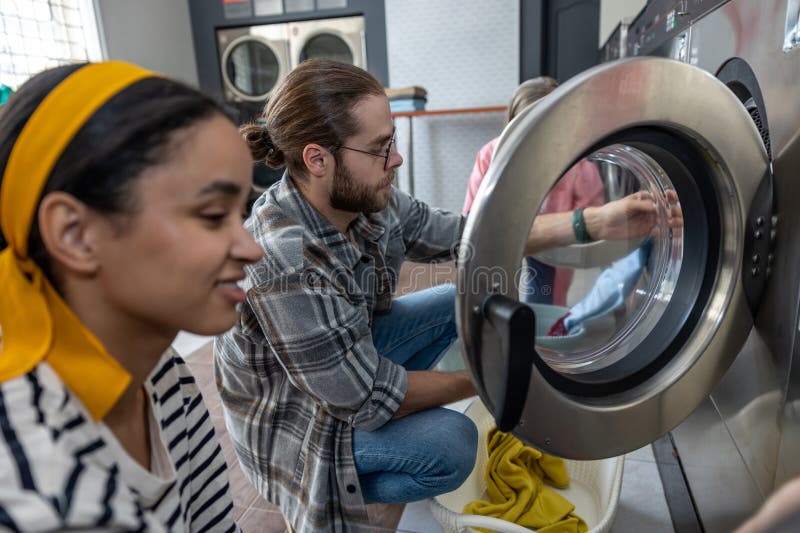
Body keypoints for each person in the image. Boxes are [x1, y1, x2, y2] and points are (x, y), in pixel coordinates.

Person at [214, 59, 658, 532]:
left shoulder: (368, 200)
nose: (396, 160)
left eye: (392, 141)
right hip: (292, 424)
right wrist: (501, 380)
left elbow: (471, 236)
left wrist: (596, 222)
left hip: (341, 370)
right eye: (380, 148)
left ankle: (387, 438)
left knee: (454, 300)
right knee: (452, 446)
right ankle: (329, 486)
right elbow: (365, 396)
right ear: (317, 160)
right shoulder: (284, 259)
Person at [0, 61, 263, 530]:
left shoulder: (161, 375)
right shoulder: (35, 490)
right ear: (75, 234)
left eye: (239, 213)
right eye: (211, 215)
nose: (251, 248)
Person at [462, 76, 606, 307]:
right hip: (500, 240)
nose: (537, 138)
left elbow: (595, 220)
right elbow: (471, 217)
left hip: (552, 247)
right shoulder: (491, 155)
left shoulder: (577, 165)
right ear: (513, 125)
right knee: (497, 292)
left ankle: (540, 321)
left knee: (545, 297)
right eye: (528, 129)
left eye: (547, 128)